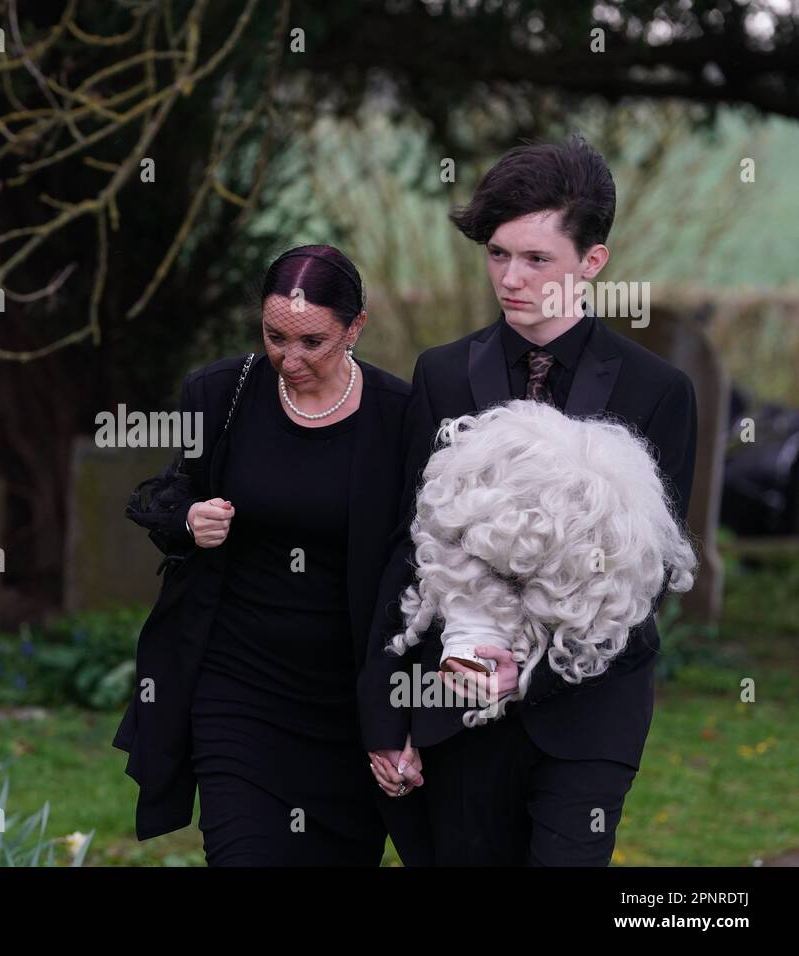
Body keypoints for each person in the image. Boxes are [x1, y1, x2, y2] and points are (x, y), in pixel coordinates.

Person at [361, 133, 699, 865]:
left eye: (537, 259)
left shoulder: (657, 391)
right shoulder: (442, 374)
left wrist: (533, 672)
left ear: (593, 261)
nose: (511, 278)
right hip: (455, 698)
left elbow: (645, 576)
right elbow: (407, 546)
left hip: (588, 708)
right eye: (497, 254)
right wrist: (387, 709)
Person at [114, 244, 428, 865]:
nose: (290, 358)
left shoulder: (399, 415)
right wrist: (190, 519)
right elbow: (168, 492)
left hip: (347, 699)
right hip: (239, 687)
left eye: (313, 342)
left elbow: (418, 561)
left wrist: (398, 714)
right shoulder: (220, 393)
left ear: (356, 328)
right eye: (274, 337)